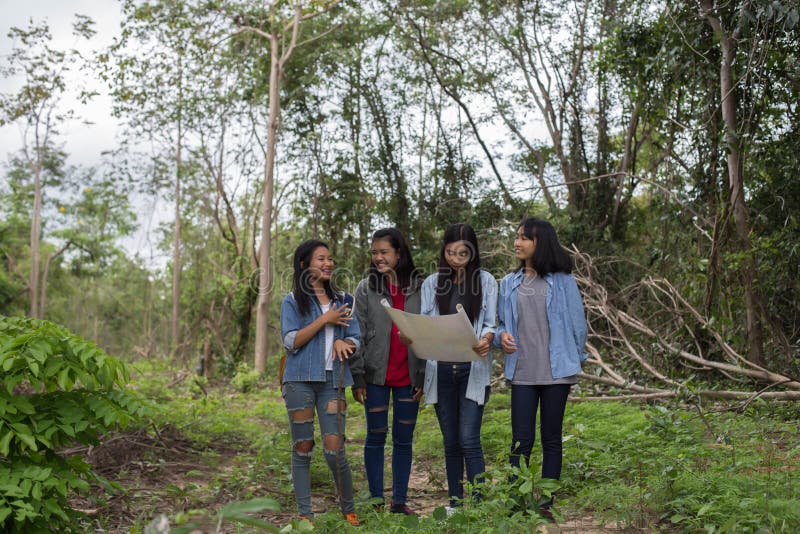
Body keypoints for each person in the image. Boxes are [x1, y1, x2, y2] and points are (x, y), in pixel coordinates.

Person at [495, 217, 588, 519]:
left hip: (556, 372)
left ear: (541, 242)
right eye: (517, 236)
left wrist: (576, 358)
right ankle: (515, 499)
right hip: (522, 371)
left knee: (551, 437)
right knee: (521, 439)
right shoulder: (508, 283)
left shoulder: (563, 280)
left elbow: (578, 324)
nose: (517, 242)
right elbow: (500, 325)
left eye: (525, 237)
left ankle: (546, 503)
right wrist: (500, 337)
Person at [279, 239, 361, 526]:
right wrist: (325, 320)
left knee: (334, 448)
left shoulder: (344, 300)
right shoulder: (292, 301)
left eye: (330, 259)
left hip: (332, 381)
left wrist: (345, 342)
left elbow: (356, 337)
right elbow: (291, 340)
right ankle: (306, 515)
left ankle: (349, 510)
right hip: (299, 380)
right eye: (321, 259)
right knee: (302, 446)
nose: (328, 264)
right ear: (304, 264)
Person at [420, 223, 498, 510]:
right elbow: (425, 322)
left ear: (473, 253)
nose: (455, 259)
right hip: (441, 369)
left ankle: (478, 505)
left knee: (469, 438)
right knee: (451, 441)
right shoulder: (432, 283)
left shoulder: (486, 281)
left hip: (472, 370)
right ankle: (455, 503)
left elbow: (490, 322)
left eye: (462, 254)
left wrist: (487, 338)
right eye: (450, 253)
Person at [350, 228, 425, 515]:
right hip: (375, 376)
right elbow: (357, 332)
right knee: (375, 436)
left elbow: (428, 330)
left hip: (409, 375)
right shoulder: (365, 288)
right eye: (374, 253)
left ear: (399, 253)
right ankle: (376, 500)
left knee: (403, 440)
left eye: (384, 252)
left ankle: (399, 501)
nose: (378, 258)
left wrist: (423, 375)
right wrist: (358, 376)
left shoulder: (420, 287)